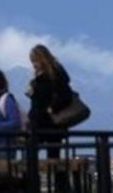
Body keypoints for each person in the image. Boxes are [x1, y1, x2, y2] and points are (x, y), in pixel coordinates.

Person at [26, 45, 73, 192]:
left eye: (35, 60)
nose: (34, 64)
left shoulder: (55, 75)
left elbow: (66, 96)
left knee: (54, 159)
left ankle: (61, 188)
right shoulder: (39, 77)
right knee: (35, 156)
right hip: (40, 123)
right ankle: (36, 186)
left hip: (52, 123)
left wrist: (52, 108)